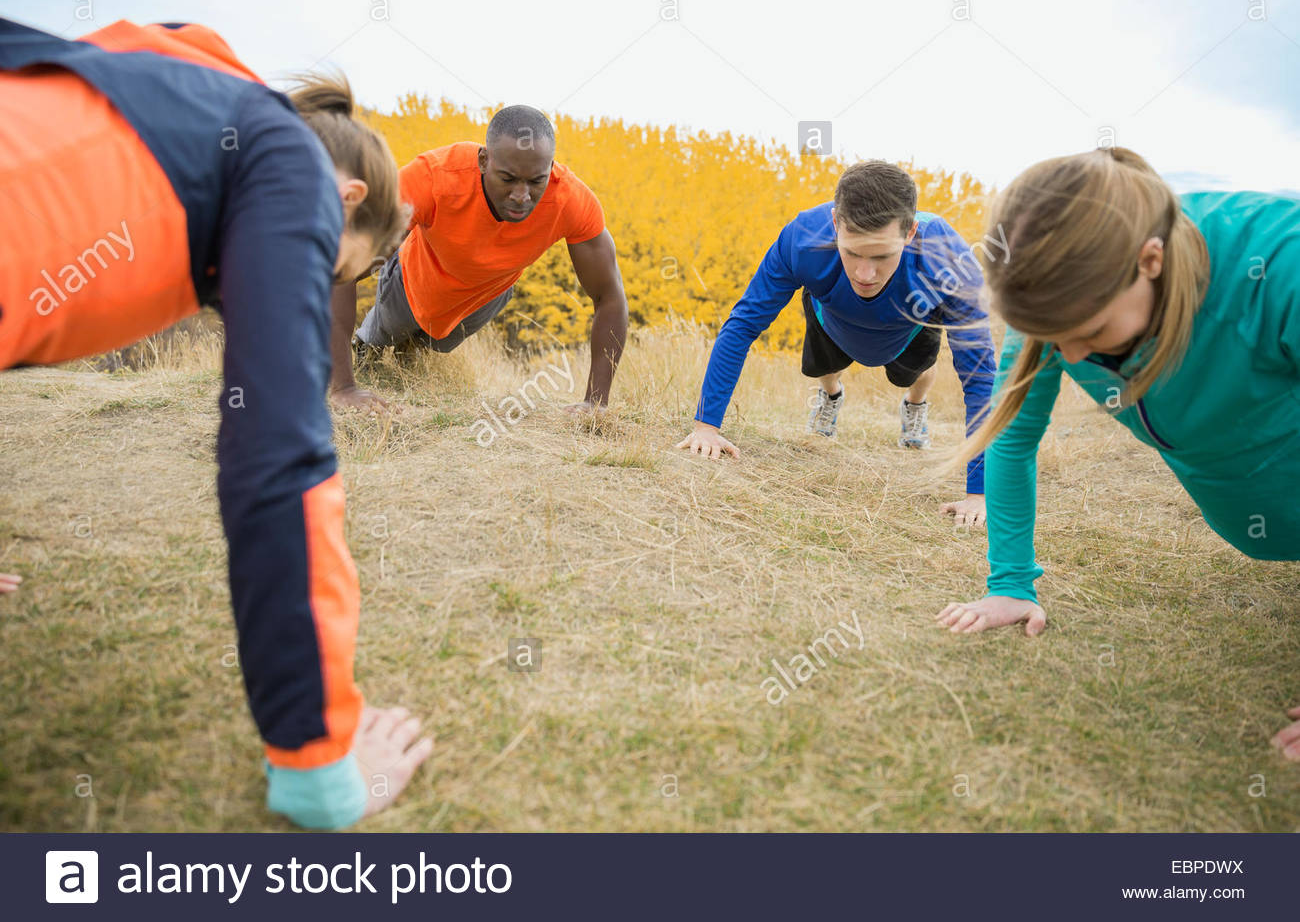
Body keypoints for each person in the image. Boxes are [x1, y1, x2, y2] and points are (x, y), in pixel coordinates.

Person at [0, 17, 432, 826]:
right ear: (346, 201)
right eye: (337, 268)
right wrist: (324, 771)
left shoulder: (161, 78)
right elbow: (278, 464)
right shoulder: (291, 165)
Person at [933, 147, 1300, 759]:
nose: (1070, 359)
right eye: (1054, 339)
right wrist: (1010, 583)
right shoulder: (1058, 294)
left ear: (1150, 261)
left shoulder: (1280, 263)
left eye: (1092, 334)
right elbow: (1013, 437)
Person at [676, 161, 996, 526]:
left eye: (881, 256)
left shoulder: (948, 260)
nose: (865, 274)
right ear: (834, 225)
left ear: (910, 233)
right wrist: (706, 427)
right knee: (822, 368)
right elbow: (743, 325)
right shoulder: (803, 239)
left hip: (907, 325)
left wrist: (979, 493)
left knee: (914, 375)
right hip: (834, 316)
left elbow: (980, 377)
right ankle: (831, 396)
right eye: (853, 252)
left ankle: (915, 406)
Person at [330, 106, 628, 413]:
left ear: (551, 167)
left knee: (429, 348)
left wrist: (596, 402)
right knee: (387, 331)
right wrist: (344, 388)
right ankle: (367, 343)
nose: (521, 195)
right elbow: (341, 266)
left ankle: (411, 352)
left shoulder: (572, 200)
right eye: (508, 178)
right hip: (413, 280)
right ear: (484, 160)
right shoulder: (432, 176)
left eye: (536, 181)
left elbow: (610, 297)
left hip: (484, 294)